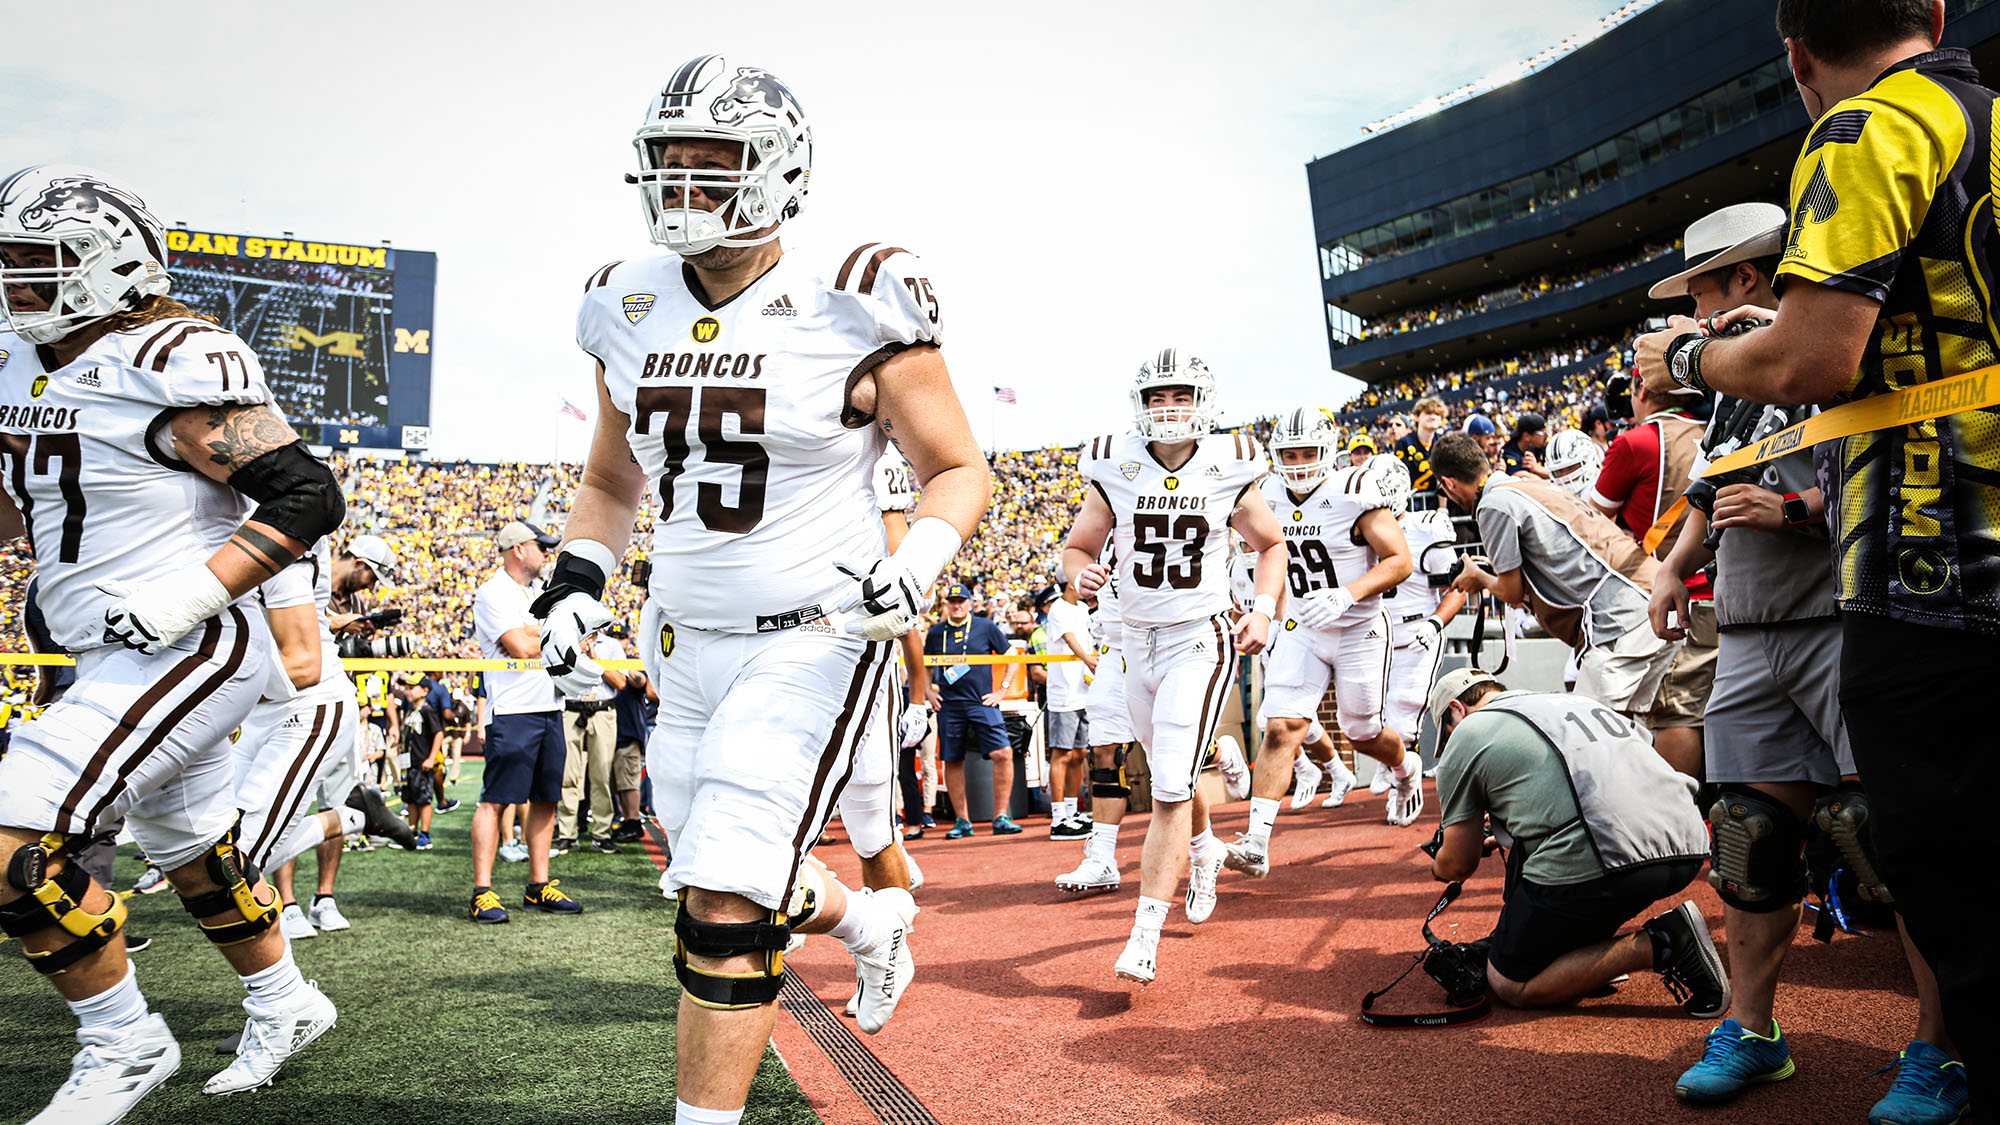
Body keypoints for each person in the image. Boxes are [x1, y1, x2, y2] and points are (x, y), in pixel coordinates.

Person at [531, 55, 991, 1125]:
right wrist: (573, 587)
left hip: (815, 636)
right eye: (670, 162)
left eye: (716, 161)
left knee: (726, 895)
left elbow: (956, 466)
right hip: (679, 641)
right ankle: (872, 926)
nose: (688, 184)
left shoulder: (855, 292)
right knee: (710, 871)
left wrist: (914, 562)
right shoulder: (622, 300)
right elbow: (609, 481)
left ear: (780, 171)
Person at [1634, 5, 1992, 1106]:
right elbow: (1710, 490)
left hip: (1904, 581)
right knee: (1746, 837)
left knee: (1912, 848)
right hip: (1764, 628)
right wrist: (1670, 560)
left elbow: (1815, 371)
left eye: (1701, 288)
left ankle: (1940, 1046)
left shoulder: (1866, 148)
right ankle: (1749, 1027)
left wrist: (1702, 366)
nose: (1689, 307)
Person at [0, 164, 346, 1116]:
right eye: (9, 259)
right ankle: (285, 997)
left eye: (42, 260)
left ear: (113, 266)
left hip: (191, 644)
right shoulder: (17, 362)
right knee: (197, 854)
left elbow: (307, 493)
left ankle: (123, 1041)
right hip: (101, 650)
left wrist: (192, 593)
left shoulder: (172, 358)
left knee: (8, 840)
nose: (18, 279)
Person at [1066, 348, 1286, 984]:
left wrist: (1265, 611)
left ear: (1205, 399)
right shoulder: (1115, 460)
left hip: (1199, 637)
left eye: (1181, 394)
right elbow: (1078, 547)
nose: (1169, 407)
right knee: (1172, 773)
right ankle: (1204, 849)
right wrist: (1083, 576)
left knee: (1166, 786)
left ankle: (1145, 933)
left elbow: (1270, 543)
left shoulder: (1229, 462)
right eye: (1158, 396)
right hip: (1135, 641)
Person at [1426, 669, 1727, 1016]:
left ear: (1457, 709)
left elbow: (1459, 865)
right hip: (1686, 842)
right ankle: (1589, 955)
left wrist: (1440, 861)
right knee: (1540, 860)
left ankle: (1662, 943)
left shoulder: (1470, 732)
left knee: (1510, 982)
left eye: (1446, 733)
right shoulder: (1572, 702)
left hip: (1609, 858)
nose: (1449, 744)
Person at [1226, 407, 1417, 885]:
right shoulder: (1265, 493)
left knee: (1362, 732)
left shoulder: (1353, 491)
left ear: (1327, 450)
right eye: (1289, 453)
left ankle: (1405, 767)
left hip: (1359, 627)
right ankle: (1256, 841)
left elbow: (1400, 561)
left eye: (1308, 451)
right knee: (1282, 726)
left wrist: (1347, 593)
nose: (1299, 462)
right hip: (1301, 627)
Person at [236, 534, 417, 949]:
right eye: (373, 574)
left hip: (321, 703)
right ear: (359, 561)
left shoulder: (341, 596)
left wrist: (355, 630)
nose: (372, 586)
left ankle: (325, 896)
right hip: (286, 700)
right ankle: (288, 900)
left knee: (299, 810)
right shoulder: (309, 573)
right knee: (276, 814)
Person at [1431, 432, 1677, 720]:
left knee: (1588, 737)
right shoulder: (1530, 485)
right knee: (1649, 730)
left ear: (1449, 484)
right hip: (1653, 597)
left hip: (1618, 620)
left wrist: (1479, 578)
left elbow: (1510, 593)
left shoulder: (1493, 504)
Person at [1591, 362, 1711, 779]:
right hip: (1726, 586)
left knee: (1673, 712)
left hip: (1670, 597)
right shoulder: (1713, 432)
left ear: (1642, 391)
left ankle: (1676, 828)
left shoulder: (1633, 443)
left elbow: (1595, 525)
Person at [469, 520, 580, 922]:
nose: (546, 553)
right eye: (540, 546)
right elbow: (519, 645)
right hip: (514, 710)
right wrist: (553, 632)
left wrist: (542, 632)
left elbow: (549, 640)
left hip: (549, 706)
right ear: (518, 550)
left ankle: (538, 885)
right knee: (496, 800)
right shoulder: (492, 592)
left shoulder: (536, 593)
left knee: (547, 799)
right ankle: (483, 890)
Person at [1369, 455, 1469, 761]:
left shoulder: (1425, 529)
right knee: (1365, 722)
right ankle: (1401, 773)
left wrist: (1435, 623)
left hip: (1415, 632)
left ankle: (1401, 781)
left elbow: (1458, 587)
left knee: (1401, 718)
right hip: (1372, 636)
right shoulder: (1356, 533)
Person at [1055, 541, 1141, 893]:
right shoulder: (1104, 512)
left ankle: (1201, 847)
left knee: (1173, 756)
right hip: (1116, 647)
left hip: (1169, 644)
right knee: (1104, 751)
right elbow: (1074, 550)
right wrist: (1081, 573)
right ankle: (1103, 856)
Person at [924, 585, 1022, 837]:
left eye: (961, 601)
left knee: (1003, 753)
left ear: (970, 604)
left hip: (982, 702)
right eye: (952, 601)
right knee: (952, 759)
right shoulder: (936, 632)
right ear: (946, 605)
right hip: (949, 705)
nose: (956, 606)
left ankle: (1001, 815)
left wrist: (1002, 690)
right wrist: (928, 691)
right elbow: (924, 665)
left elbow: (1013, 656)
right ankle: (962, 820)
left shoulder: (985, 626)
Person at [556, 629, 626, 854]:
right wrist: (576, 654)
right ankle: (567, 833)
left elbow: (620, 682)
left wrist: (595, 658)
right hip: (572, 710)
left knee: (601, 776)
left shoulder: (612, 645)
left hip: (602, 710)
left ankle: (602, 833)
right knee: (568, 775)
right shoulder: (566, 641)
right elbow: (557, 680)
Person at [1041, 577, 1096, 839]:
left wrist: (1092, 663)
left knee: (1079, 754)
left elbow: (1089, 640)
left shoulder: (1083, 609)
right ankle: (1058, 816)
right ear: (1070, 585)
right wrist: (1090, 662)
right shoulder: (1059, 609)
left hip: (1084, 691)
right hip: (1064, 693)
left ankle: (1073, 812)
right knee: (1061, 753)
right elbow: (1071, 640)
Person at [607, 633, 654, 843]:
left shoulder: (631, 663)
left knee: (629, 782)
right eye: (614, 637)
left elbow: (640, 682)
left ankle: (634, 821)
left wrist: (622, 668)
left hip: (628, 731)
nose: (619, 641)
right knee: (618, 782)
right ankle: (627, 821)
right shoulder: (603, 660)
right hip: (614, 731)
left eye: (622, 637)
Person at [396, 674, 442, 848]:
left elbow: (438, 733)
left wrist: (431, 758)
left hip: (422, 762)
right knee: (411, 799)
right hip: (409, 763)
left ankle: (425, 834)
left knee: (423, 799)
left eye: (412, 688)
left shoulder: (427, 710)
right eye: (406, 688)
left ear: (424, 691)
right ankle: (412, 832)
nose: (408, 691)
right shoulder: (410, 710)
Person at [1393, 397, 1448, 508]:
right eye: (1428, 413)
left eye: (1437, 414)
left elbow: (1445, 478)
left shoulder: (1444, 443)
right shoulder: (1404, 443)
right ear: (1417, 417)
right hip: (1411, 505)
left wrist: (1443, 508)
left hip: (1436, 504)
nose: (1433, 417)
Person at [1544, 429, 1605, 498]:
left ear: (1588, 460)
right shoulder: (1551, 493)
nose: (1565, 476)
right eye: (1559, 471)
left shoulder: (1602, 491)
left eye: (1570, 467)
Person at [1502, 413, 1549, 478]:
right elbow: (1518, 476)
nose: (1547, 436)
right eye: (1543, 433)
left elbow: (1561, 472)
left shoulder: (1543, 448)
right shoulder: (1508, 453)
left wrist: (1536, 468)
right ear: (1526, 436)